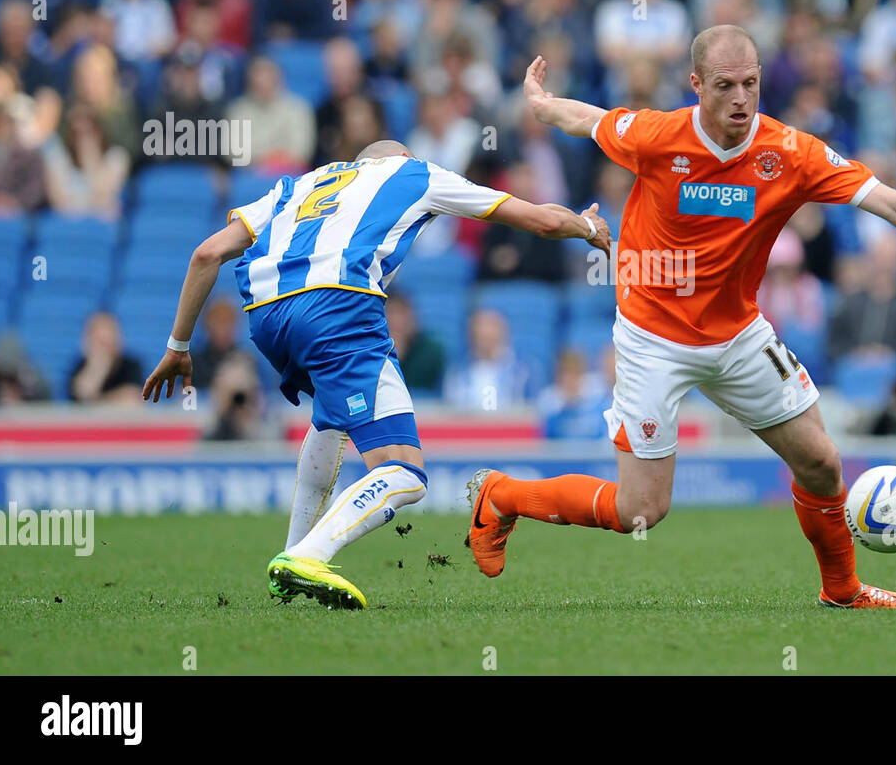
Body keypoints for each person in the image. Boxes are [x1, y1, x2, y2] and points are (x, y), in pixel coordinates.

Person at [464, 25, 896, 611]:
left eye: (751, 83)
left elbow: (888, 201)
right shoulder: (655, 135)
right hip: (652, 338)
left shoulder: (791, 152)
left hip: (738, 336)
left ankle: (843, 590)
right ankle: (502, 495)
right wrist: (542, 105)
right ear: (695, 83)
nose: (741, 98)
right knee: (640, 513)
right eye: (725, 85)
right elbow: (588, 119)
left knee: (822, 462)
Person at [142, 139, 610, 610]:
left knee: (330, 421)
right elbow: (543, 219)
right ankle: (308, 556)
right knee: (405, 470)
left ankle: (291, 558)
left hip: (265, 317)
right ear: (399, 159)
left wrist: (178, 346)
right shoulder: (417, 175)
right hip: (339, 307)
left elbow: (206, 254)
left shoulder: (296, 185)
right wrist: (587, 225)